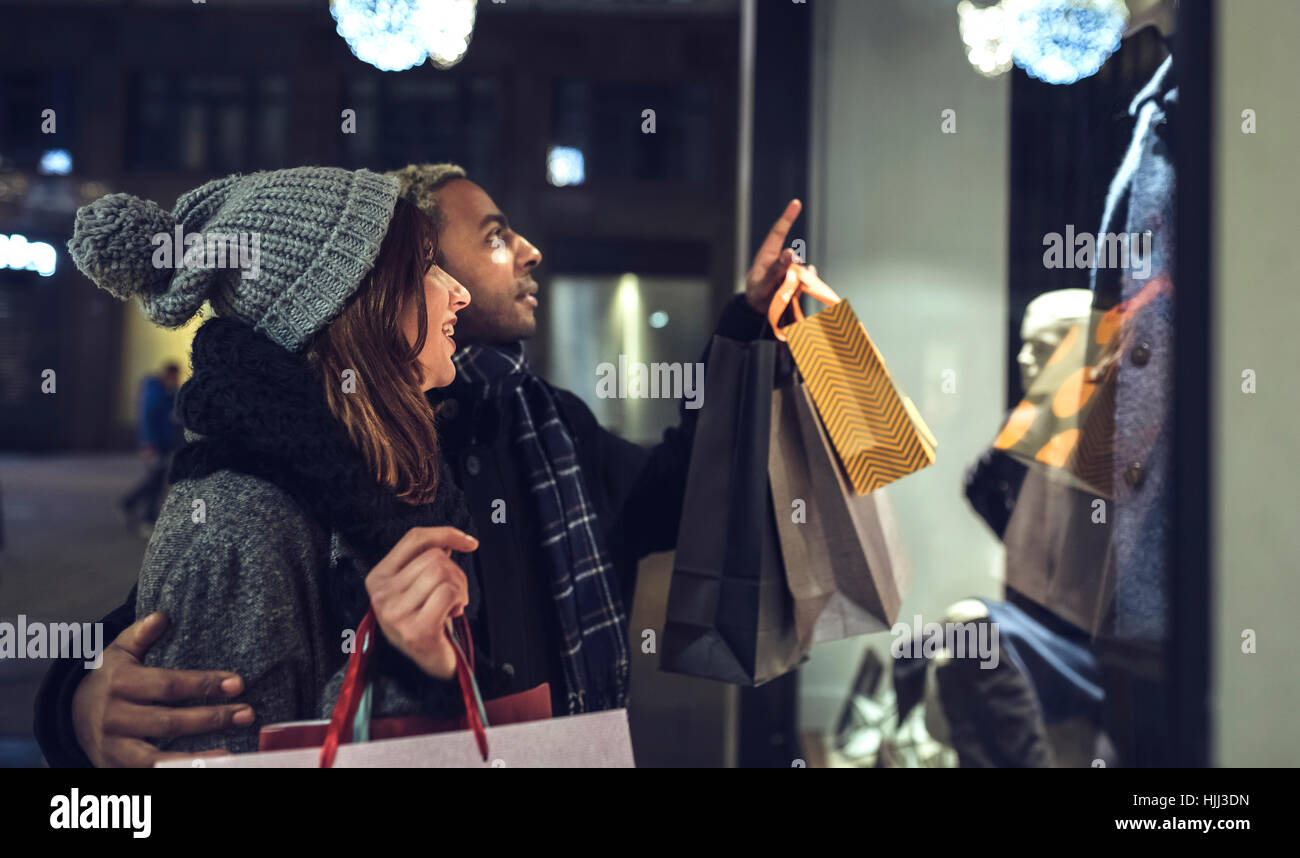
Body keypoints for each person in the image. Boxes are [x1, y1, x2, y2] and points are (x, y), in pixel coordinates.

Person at [36, 162, 803, 766]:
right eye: (494, 236)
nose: (530, 250)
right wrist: (76, 698)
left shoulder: (541, 420)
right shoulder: (331, 450)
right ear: (372, 286)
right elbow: (190, 629)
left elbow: (669, 499)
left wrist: (744, 327)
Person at [48, 166, 478, 758]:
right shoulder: (239, 523)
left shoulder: (396, 469)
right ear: (349, 305)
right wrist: (396, 675)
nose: (460, 291)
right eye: (426, 265)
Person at [119, 361, 182, 536]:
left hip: (163, 443)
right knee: (155, 480)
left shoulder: (165, 392)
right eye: (174, 377)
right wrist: (149, 444)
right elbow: (148, 419)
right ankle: (145, 515)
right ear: (167, 375)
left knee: (156, 479)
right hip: (155, 444)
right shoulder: (154, 392)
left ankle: (132, 503)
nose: (176, 380)